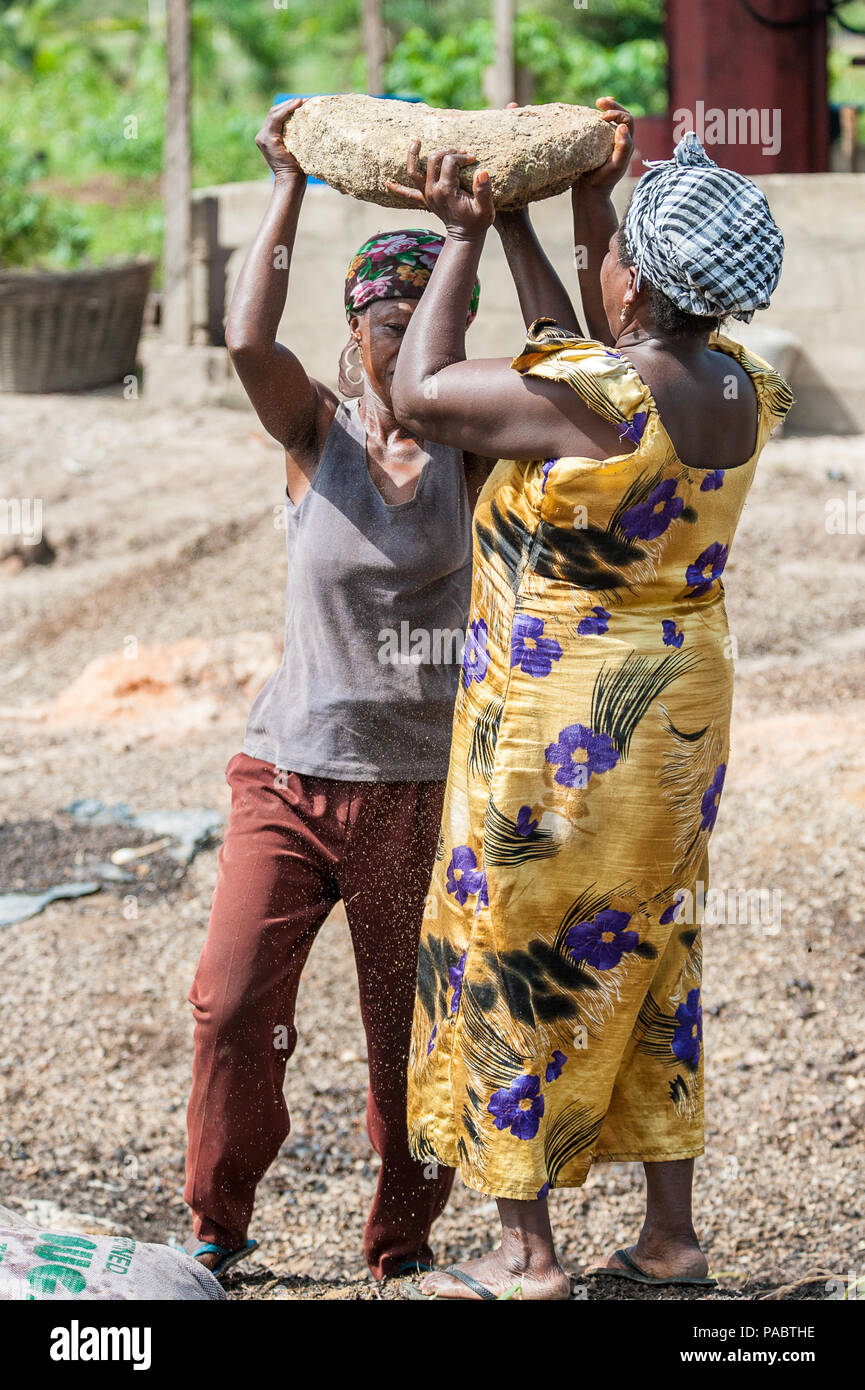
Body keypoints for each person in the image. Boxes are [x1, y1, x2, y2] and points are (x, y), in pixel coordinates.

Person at [388, 101, 793, 1300]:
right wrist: (553, 214)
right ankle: (669, 1238)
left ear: (638, 284)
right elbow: (576, 345)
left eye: (614, 245)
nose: (603, 259)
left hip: (562, 721)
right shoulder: (746, 388)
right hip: (676, 721)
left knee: (517, 944)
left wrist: (460, 234)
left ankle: (524, 1253)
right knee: (653, 948)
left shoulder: (599, 399)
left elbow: (423, 393)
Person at [182, 97, 580, 1283]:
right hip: (291, 774)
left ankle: (399, 1248)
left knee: (410, 1041)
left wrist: (499, 222)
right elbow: (248, 338)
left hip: (420, 790)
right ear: (354, 332)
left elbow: (568, 363)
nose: (397, 347)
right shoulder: (314, 434)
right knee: (229, 1007)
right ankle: (215, 1225)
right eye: (382, 325)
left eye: (422, 331)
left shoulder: (472, 445)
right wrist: (287, 185)